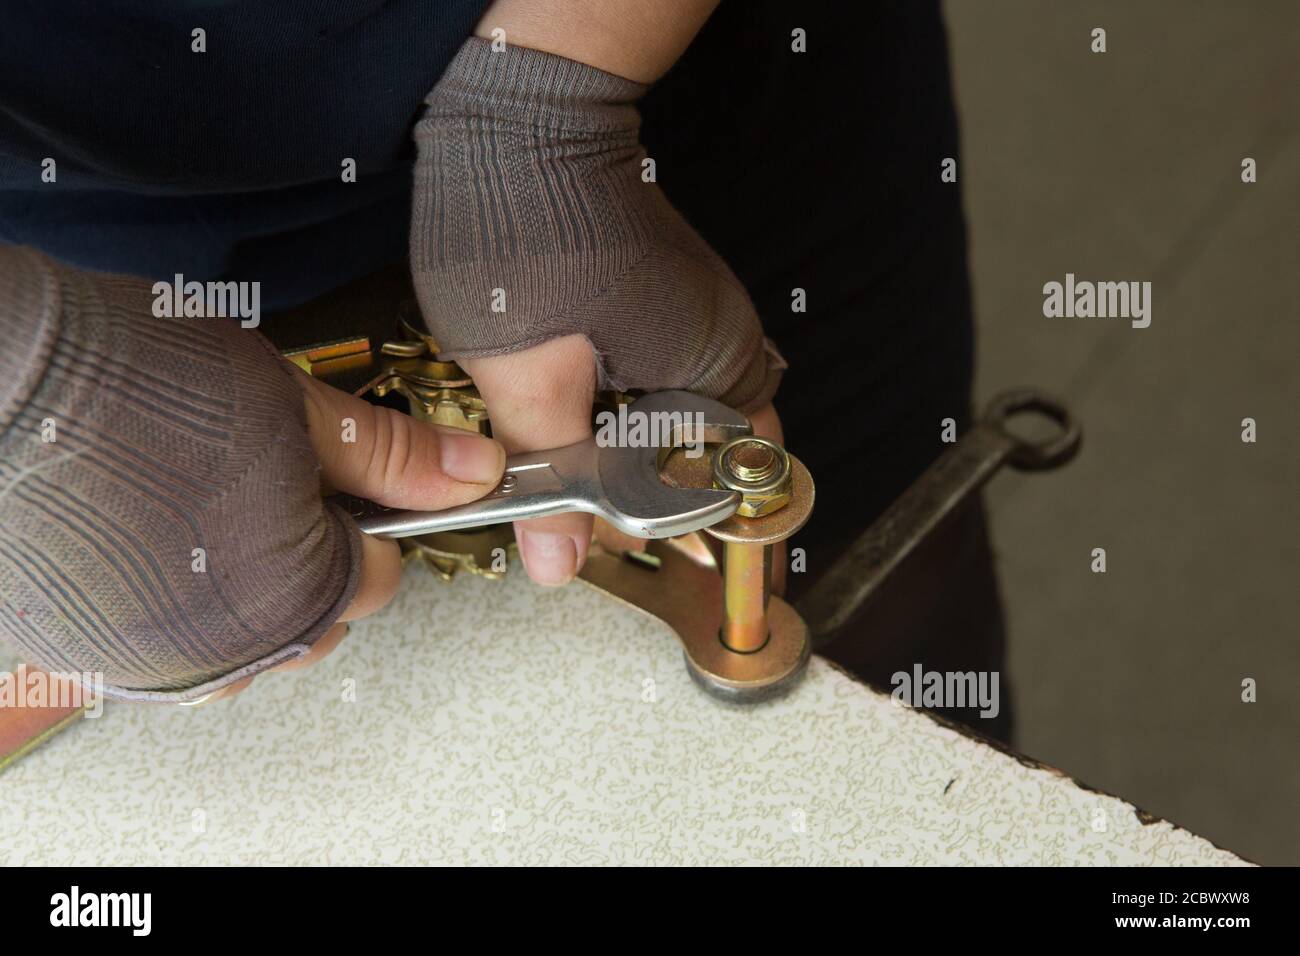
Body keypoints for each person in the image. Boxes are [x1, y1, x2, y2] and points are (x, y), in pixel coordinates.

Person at [0, 1, 1008, 736]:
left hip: (699, 106)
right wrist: (22, 393)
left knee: (892, 612)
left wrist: (560, 81)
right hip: (109, 289)